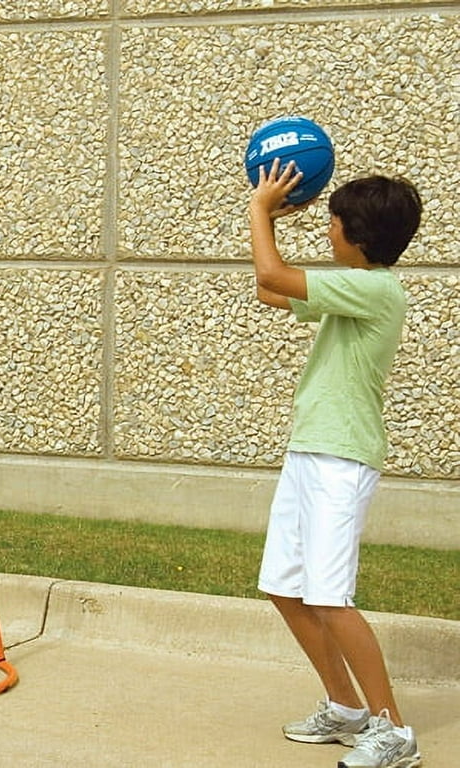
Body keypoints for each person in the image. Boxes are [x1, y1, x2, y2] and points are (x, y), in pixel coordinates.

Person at [248, 158, 423, 768]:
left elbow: (272, 270)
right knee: (285, 589)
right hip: (311, 449)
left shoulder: (376, 290)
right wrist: (271, 222)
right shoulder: (354, 289)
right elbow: (269, 288)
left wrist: (261, 209)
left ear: (360, 235)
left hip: (342, 458)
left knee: (328, 597)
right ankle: (346, 709)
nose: (327, 231)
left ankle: (393, 731)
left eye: (333, 223)